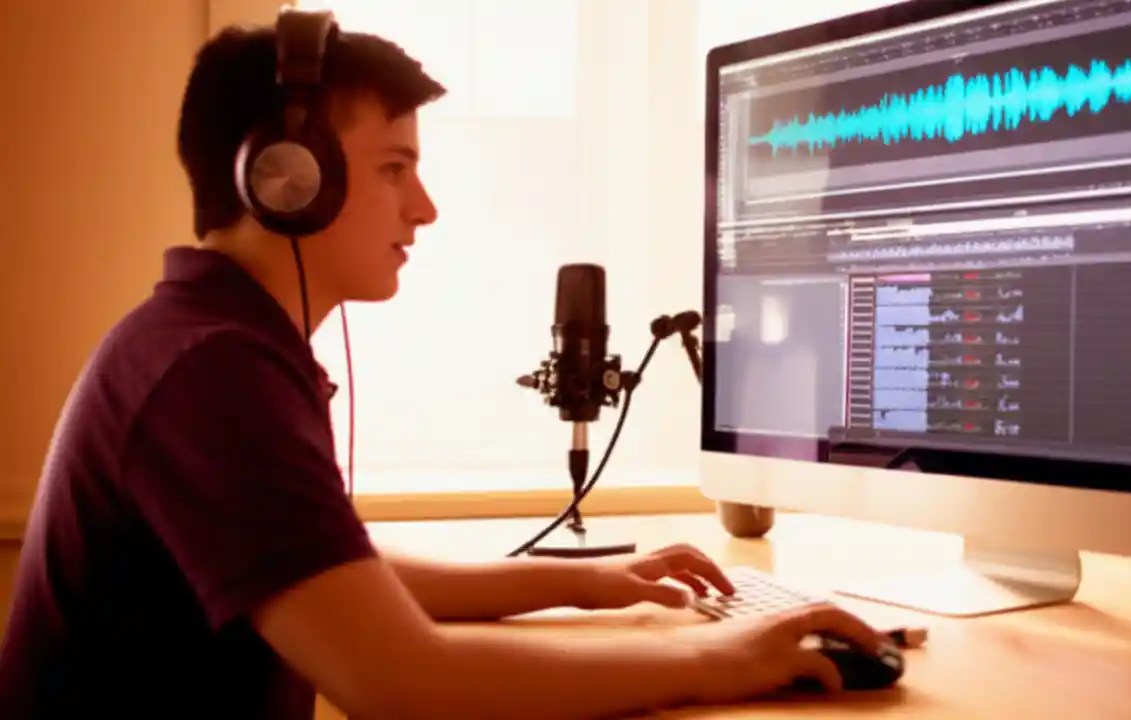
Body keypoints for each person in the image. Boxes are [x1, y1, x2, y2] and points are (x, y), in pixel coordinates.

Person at [0, 13, 886, 719]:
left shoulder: (212, 344)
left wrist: (588, 584)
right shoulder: (210, 375)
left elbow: (338, 581)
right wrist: (718, 656)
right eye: (394, 168)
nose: (423, 208)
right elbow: (399, 681)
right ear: (289, 180)